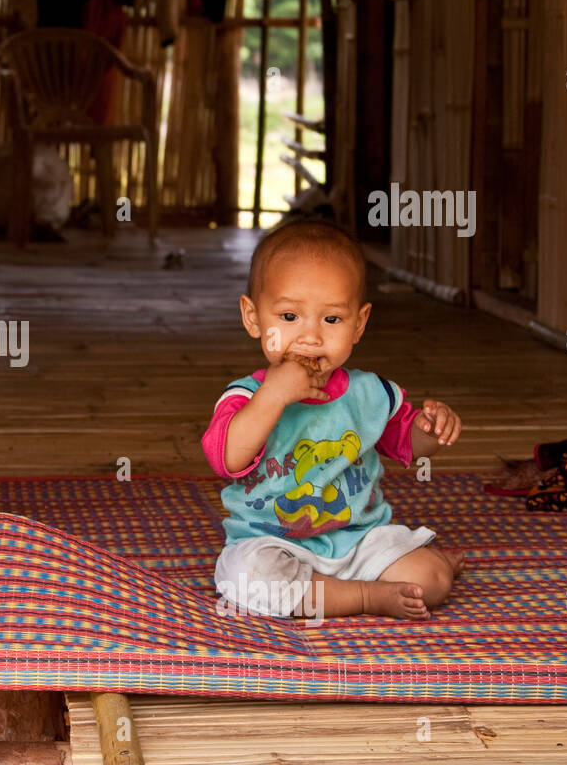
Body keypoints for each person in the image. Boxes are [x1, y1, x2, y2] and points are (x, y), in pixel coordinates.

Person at [199, 218, 464, 621]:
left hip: (359, 540)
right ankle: (364, 597)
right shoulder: (247, 397)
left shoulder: (370, 393)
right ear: (253, 317)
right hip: (271, 544)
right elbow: (227, 459)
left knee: (432, 580)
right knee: (244, 579)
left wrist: (430, 430)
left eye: (332, 319)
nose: (311, 337)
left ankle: (408, 569)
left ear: (359, 323)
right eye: (290, 317)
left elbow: (409, 444)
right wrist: (274, 395)